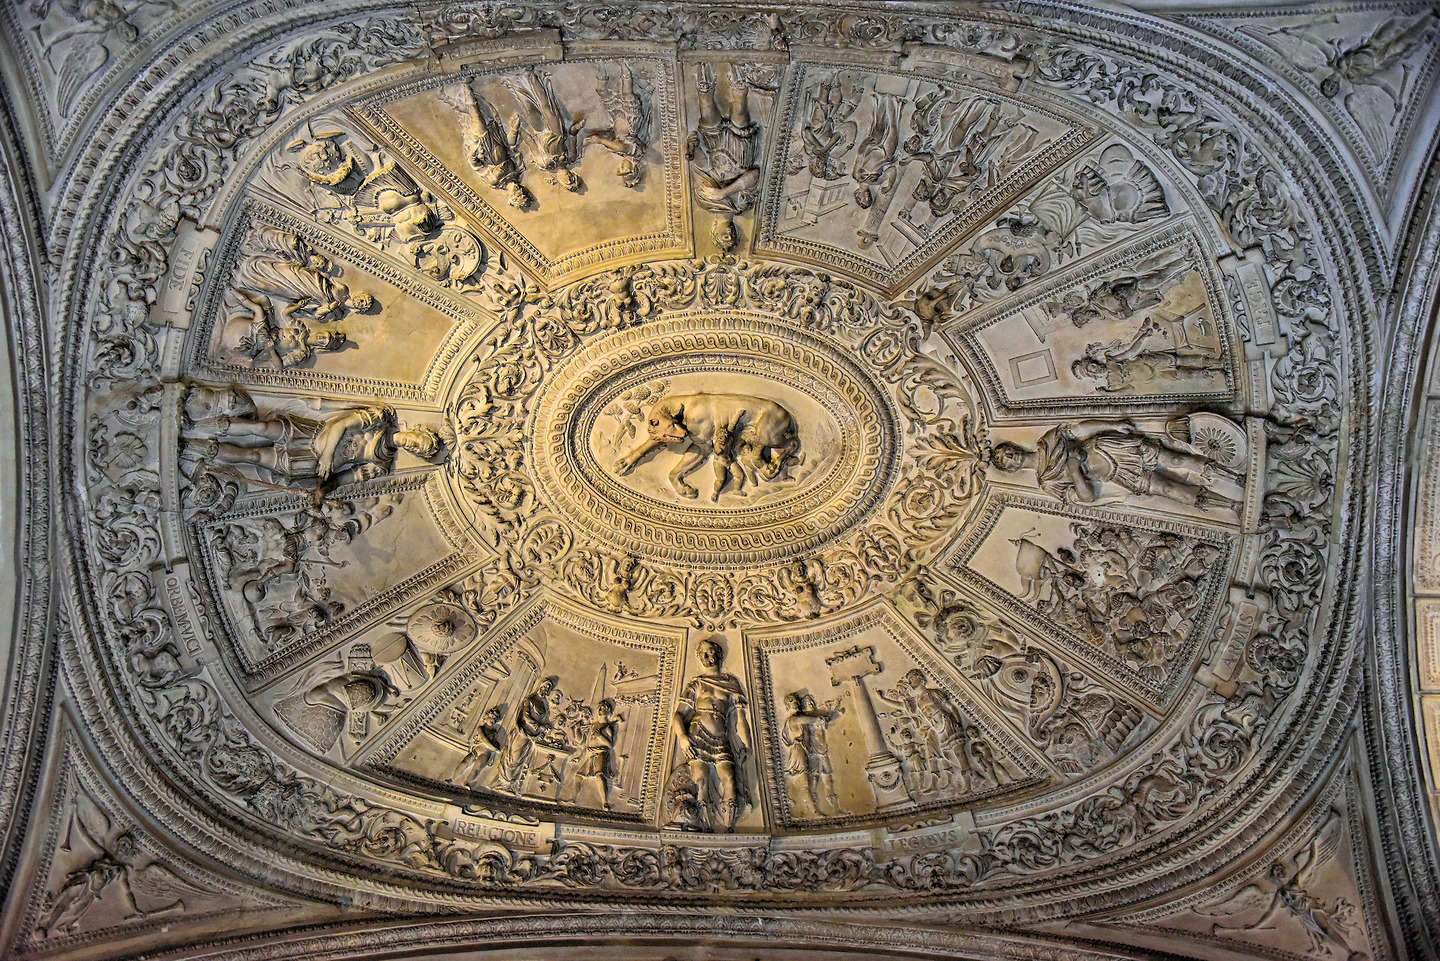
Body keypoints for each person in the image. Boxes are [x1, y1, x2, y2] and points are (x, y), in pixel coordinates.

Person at [183, 396, 443, 494]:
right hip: (309, 435)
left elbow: (344, 479)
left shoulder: (381, 463)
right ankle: (200, 426)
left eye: (418, 448)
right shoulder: (379, 419)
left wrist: (323, 489)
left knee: (252, 456)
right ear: (417, 430)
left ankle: (199, 451)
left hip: (307, 463)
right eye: (420, 439)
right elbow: (339, 426)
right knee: (260, 427)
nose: (414, 443)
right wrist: (328, 457)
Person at [990, 419, 1241, 511]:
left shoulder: (1047, 441)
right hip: (1114, 474)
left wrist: (1112, 425)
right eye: (1005, 462)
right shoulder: (1048, 482)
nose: (1009, 457)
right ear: (1011, 471)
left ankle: (1235, 478)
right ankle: (1232, 505)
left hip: (1107, 447)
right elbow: (1086, 498)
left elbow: (1079, 430)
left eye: (1007, 452)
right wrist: (1075, 469)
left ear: (1015, 448)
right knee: (1170, 490)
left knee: (1177, 460)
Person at [671, 638, 750, 831]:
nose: (707, 657)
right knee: (701, 782)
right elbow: (679, 714)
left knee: (730, 779)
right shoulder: (697, 684)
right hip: (698, 736)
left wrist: (746, 744)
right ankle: (705, 827)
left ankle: (727, 825)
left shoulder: (730, 683)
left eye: (710, 652)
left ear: (718, 654)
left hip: (721, 738)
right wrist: (682, 737)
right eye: (703, 654)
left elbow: (740, 719)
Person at [781, 692, 844, 816]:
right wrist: (823, 716)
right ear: (788, 706)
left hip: (806, 750)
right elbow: (814, 719)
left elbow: (818, 722)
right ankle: (813, 812)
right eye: (793, 701)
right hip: (799, 752)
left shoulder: (801, 718)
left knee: (811, 780)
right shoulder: (794, 719)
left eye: (797, 701)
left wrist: (834, 713)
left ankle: (820, 809)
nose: (797, 703)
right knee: (805, 782)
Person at [498, 676, 558, 793]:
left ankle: (512, 785)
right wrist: (539, 727)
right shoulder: (529, 701)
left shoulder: (545, 703)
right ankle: (504, 783)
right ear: (539, 686)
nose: (545, 689)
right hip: (523, 733)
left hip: (533, 737)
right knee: (514, 759)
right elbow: (526, 716)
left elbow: (544, 719)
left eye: (548, 688)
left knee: (522, 760)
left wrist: (544, 730)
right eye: (544, 686)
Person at [575, 698, 623, 810]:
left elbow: (610, 744)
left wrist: (600, 736)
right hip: (591, 754)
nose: (600, 709)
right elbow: (584, 742)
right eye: (599, 707)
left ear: (608, 711)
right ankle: (573, 798)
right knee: (578, 775)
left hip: (601, 753)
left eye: (603, 708)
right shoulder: (594, 725)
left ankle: (604, 801)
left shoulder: (608, 727)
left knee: (599, 775)